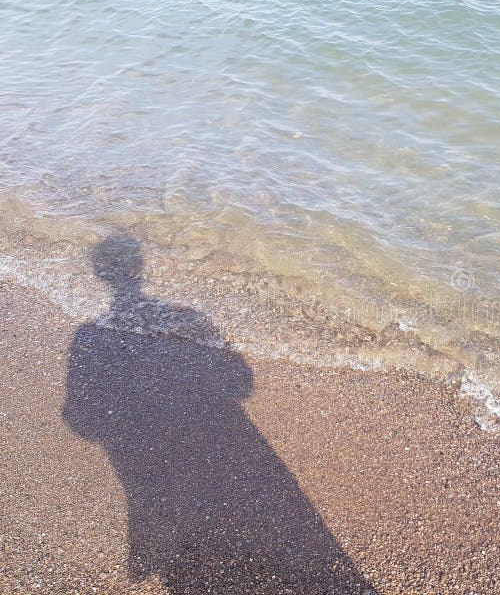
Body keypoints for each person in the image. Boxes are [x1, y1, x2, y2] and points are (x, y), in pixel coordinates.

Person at [64, 234, 372, 594]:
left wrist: (122, 417)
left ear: (101, 274)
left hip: (148, 465)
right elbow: (241, 385)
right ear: (140, 269)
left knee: (177, 526)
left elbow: (81, 421)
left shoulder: (86, 337)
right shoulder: (188, 317)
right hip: (222, 444)